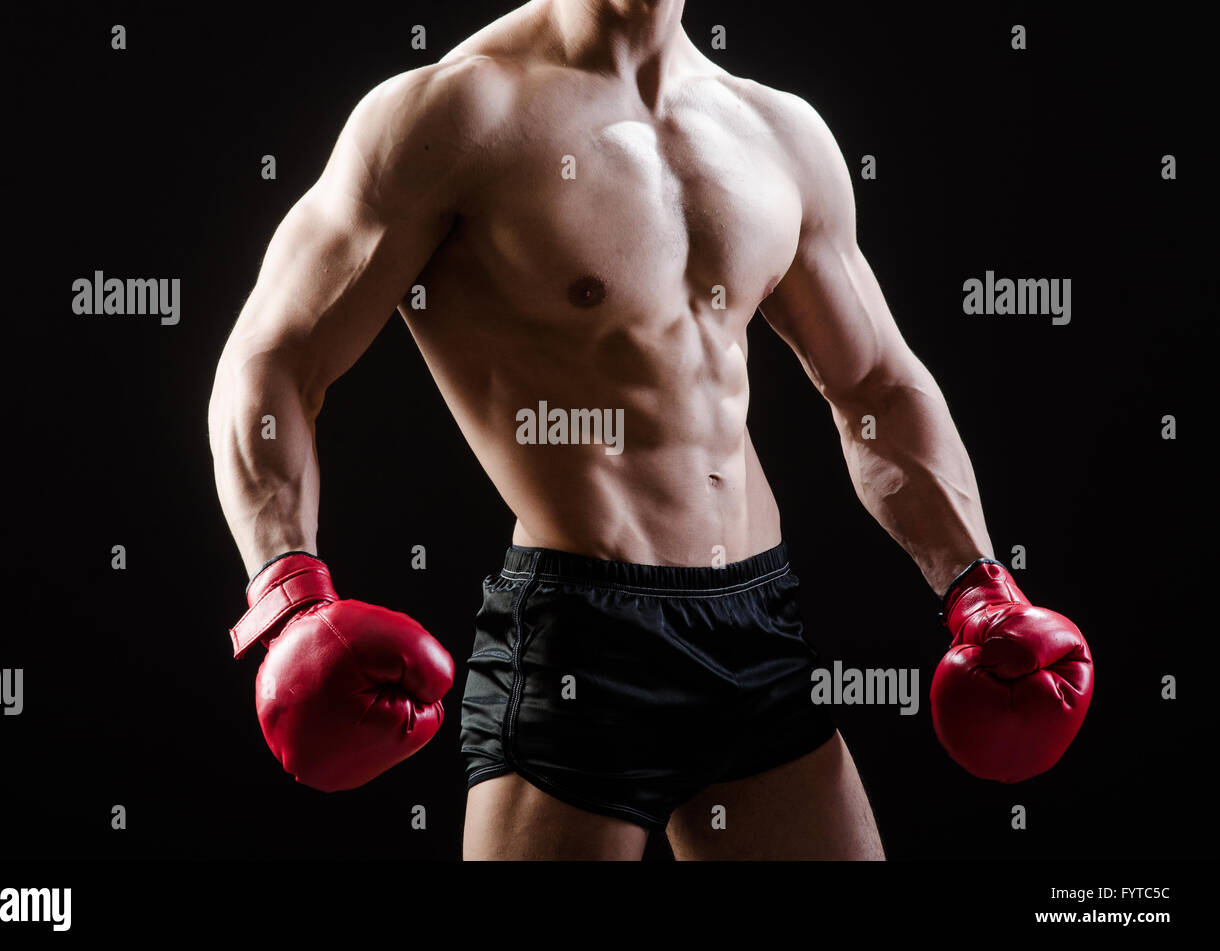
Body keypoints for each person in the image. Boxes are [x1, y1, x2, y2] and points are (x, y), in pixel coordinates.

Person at [208, 0, 1091, 860]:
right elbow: (272, 356)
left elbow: (877, 385)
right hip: (580, 643)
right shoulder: (459, 112)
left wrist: (979, 588)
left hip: (760, 628)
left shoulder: (774, 131)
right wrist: (287, 596)